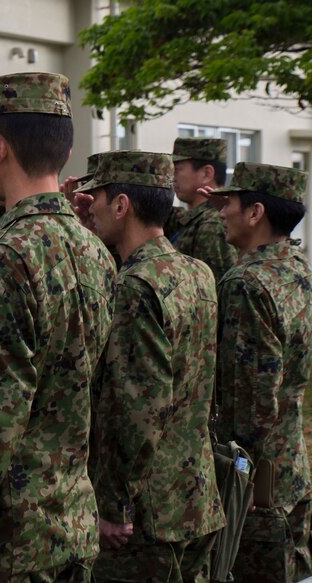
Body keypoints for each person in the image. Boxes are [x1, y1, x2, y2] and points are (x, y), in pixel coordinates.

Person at [0, 72, 117, 582]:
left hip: (11, 541)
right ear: (64, 150)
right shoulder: (94, 250)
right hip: (70, 522)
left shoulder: (4, 258)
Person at [73, 151, 225, 581]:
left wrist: (114, 504)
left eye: (97, 198)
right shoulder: (197, 272)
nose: (90, 208)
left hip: (146, 515)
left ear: (121, 205)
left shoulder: (136, 286)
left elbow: (137, 408)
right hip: (195, 497)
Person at [209, 162, 312, 582]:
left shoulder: (246, 283)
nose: (221, 213)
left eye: (229, 203)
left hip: (255, 483)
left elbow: (248, 400)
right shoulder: (298, 268)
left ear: (255, 213)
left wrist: (239, 478)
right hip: (292, 464)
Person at [164, 137, 237, 282]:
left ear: (206, 174)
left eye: (177, 170)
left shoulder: (212, 225)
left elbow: (217, 287)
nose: (172, 177)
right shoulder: (196, 218)